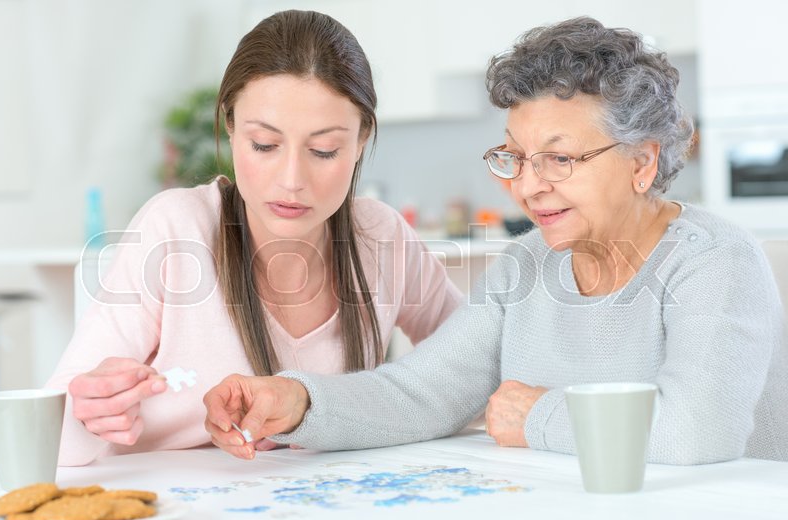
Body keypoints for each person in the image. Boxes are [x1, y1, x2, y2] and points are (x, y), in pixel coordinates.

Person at [203, 16, 788, 465]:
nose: (529, 186)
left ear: (642, 162)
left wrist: (537, 417)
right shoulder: (524, 267)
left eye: (559, 158)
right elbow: (422, 393)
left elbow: (697, 433)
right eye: (517, 157)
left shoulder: (714, 261)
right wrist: (301, 403)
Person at [46, 10, 461, 467]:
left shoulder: (380, 236)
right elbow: (48, 431)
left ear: (361, 140)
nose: (291, 180)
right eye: (264, 145)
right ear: (230, 125)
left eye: (324, 151)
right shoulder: (175, 230)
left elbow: (476, 369)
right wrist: (91, 416)